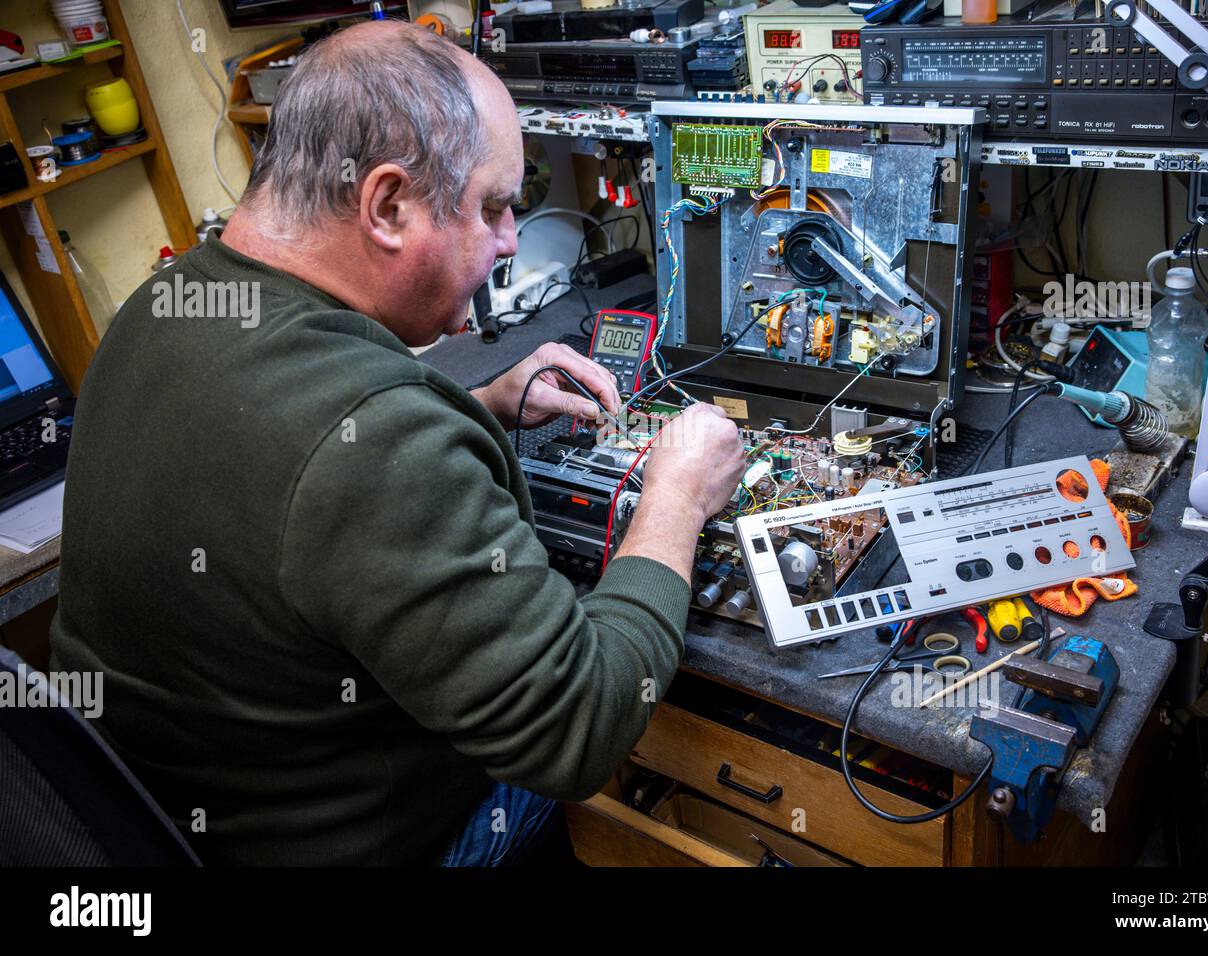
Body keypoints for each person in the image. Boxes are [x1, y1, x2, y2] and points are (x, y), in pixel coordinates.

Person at [49, 20, 744, 866]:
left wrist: (465, 406)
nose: (512, 241)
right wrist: (674, 498)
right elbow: (578, 725)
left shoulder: (159, 309)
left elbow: (289, 462)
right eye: (491, 208)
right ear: (385, 205)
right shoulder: (377, 438)